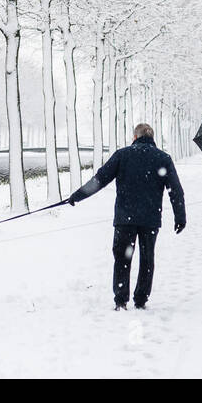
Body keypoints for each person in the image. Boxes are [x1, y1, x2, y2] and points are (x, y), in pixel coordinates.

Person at [68, 122, 186, 310]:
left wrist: (77, 196)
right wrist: (180, 216)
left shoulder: (123, 155)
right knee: (147, 258)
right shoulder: (163, 158)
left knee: (123, 257)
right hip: (150, 218)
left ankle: (121, 299)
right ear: (152, 138)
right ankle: (141, 298)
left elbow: (99, 179)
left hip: (125, 217)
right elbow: (175, 190)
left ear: (135, 137)